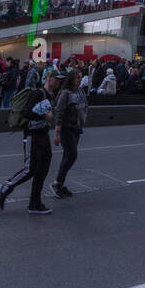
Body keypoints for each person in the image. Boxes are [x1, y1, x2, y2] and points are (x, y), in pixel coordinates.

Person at [0, 70, 61, 215]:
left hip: (43, 135)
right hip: (33, 135)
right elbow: (27, 113)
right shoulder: (38, 93)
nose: (58, 82)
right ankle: (7, 187)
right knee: (30, 169)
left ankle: (35, 203)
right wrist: (45, 114)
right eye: (56, 79)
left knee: (42, 170)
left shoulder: (51, 95)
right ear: (49, 78)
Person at [52, 69, 88, 199]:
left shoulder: (80, 91)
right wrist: (56, 134)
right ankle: (56, 183)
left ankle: (60, 184)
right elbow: (59, 112)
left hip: (77, 128)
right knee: (72, 156)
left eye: (81, 77)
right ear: (71, 79)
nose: (80, 79)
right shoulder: (65, 93)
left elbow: (84, 106)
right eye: (77, 77)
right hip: (66, 129)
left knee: (66, 156)